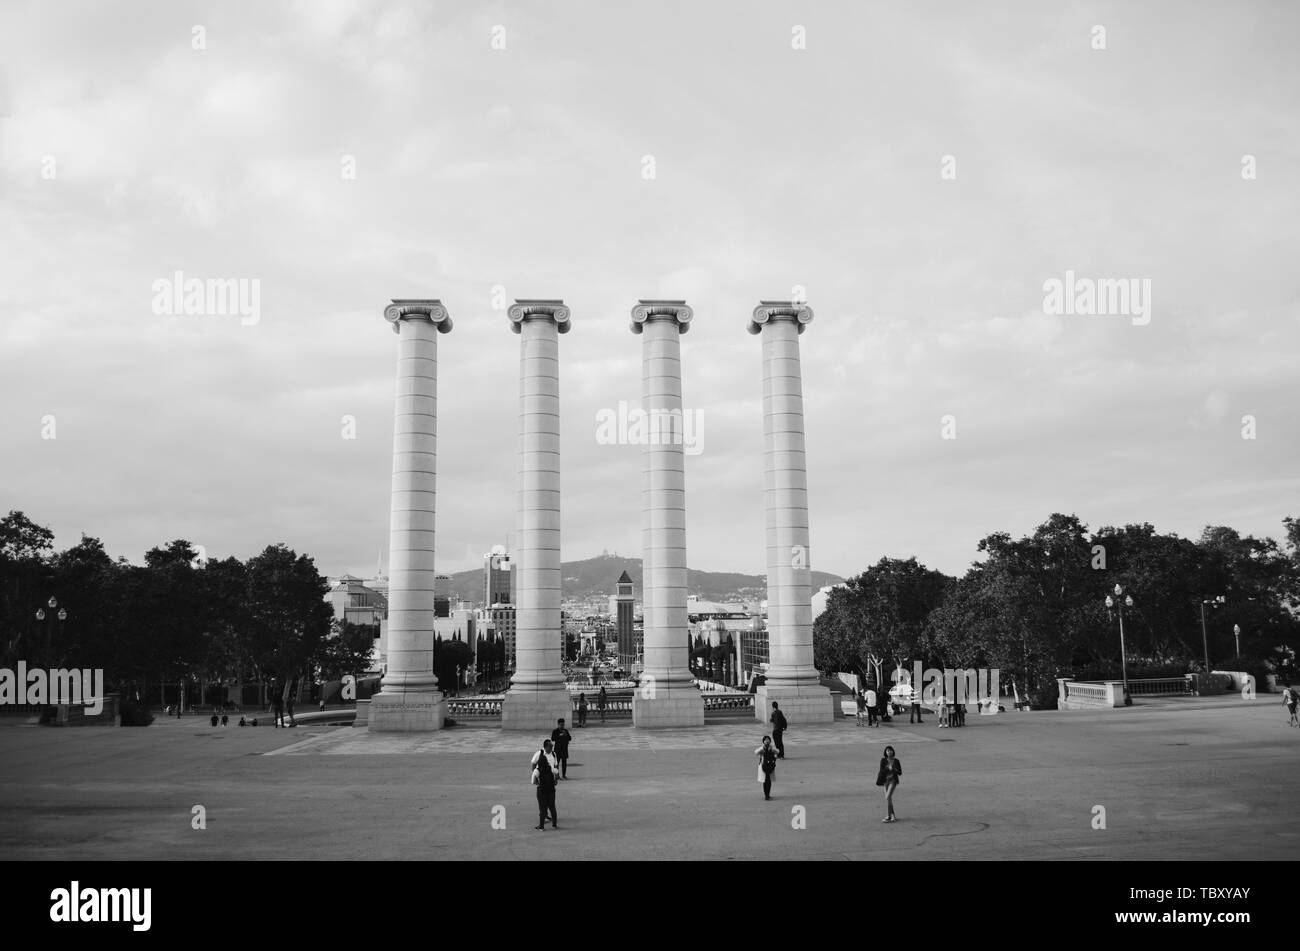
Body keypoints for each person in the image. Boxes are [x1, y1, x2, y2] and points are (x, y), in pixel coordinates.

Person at [530, 739, 559, 829]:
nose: (552, 747)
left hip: (545, 785)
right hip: (549, 785)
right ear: (545, 746)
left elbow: (556, 766)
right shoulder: (539, 753)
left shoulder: (553, 754)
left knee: (543, 804)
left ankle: (542, 825)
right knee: (551, 805)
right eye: (550, 746)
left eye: (552, 746)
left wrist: (555, 779)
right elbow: (533, 763)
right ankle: (551, 822)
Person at [876, 745, 902, 822]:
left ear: (893, 751)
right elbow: (881, 770)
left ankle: (888, 816)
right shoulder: (883, 760)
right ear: (885, 752)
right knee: (889, 799)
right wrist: (887, 768)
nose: (889, 752)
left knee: (887, 797)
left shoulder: (896, 761)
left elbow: (900, 772)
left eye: (890, 750)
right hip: (885, 781)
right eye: (887, 751)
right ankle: (893, 816)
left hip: (893, 781)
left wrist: (893, 769)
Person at [755, 735, 778, 800]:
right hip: (763, 766)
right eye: (766, 740)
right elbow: (756, 752)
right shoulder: (762, 748)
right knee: (765, 781)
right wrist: (762, 749)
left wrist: (775, 754)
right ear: (763, 741)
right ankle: (766, 795)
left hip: (770, 766)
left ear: (770, 741)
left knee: (769, 781)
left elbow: (777, 752)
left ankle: (768, 794)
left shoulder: (772, 748)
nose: (767, 741)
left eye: (768, 740)